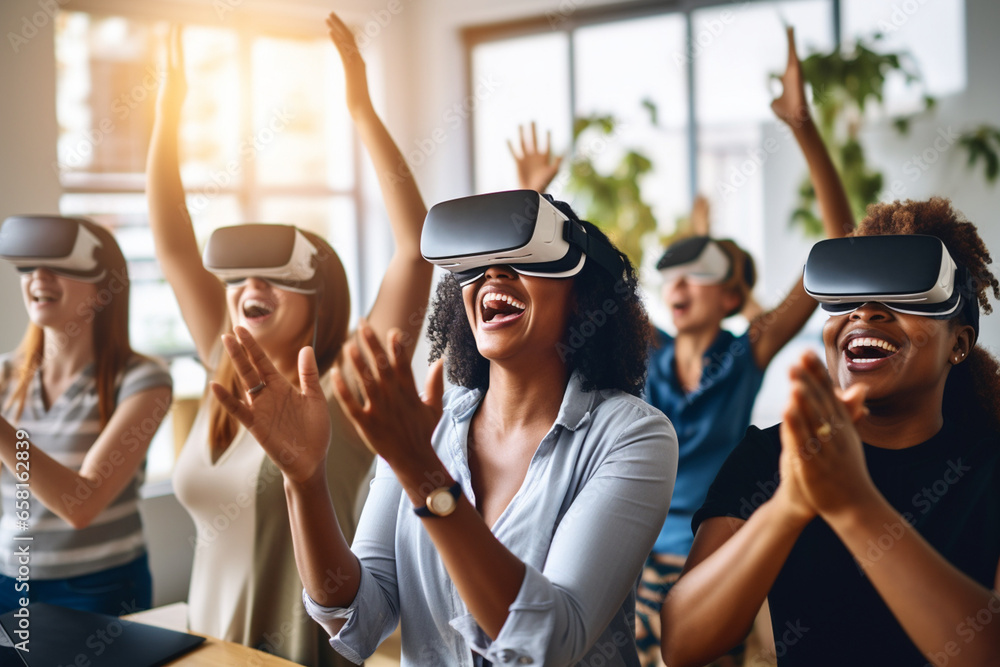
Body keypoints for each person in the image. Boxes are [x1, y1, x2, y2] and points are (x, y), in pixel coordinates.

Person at [209, 190, 679, 666]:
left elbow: (552, 642)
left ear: (584, 297)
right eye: (477, 266)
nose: (494, 273)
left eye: (523, 258)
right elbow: (358, 617)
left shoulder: (634, 436)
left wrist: (425, 477)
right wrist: (305, 481)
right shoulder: (423, 423)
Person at [509, 28, 855, 666]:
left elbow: (839, 249)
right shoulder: (648, 351)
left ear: (732, 297)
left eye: (700, 274)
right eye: (672, 275)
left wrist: (803, 127)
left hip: (717, 556)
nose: (679, 285)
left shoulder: (746, 354)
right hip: (637, 560)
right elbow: (586, 272)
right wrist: (534, 196)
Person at [145, 13, 433, 666]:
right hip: (208, 651)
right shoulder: (223, 363)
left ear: (320, 297)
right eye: (240, 276)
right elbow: (173, 245)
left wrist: (360, 110)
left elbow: (415, 249)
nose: (252, 286)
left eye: (276, 276)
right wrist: (167, 113)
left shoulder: (349, 383)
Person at [662, 196, 1000, 666]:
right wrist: (789, 506)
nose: (866, 311)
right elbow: (683, 643)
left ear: (958, 343)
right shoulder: (769, 457)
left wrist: (853, 504)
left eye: (903, 293)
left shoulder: (988, 471)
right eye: (849, 296)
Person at [0, 215, 172, 615]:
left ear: (102, 288)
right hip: (9, 580)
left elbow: (82, 505)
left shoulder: (143, 380)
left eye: (58, 265)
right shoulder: (5, 376)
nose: (39, 276)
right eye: (30, 264)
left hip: (100, 587)